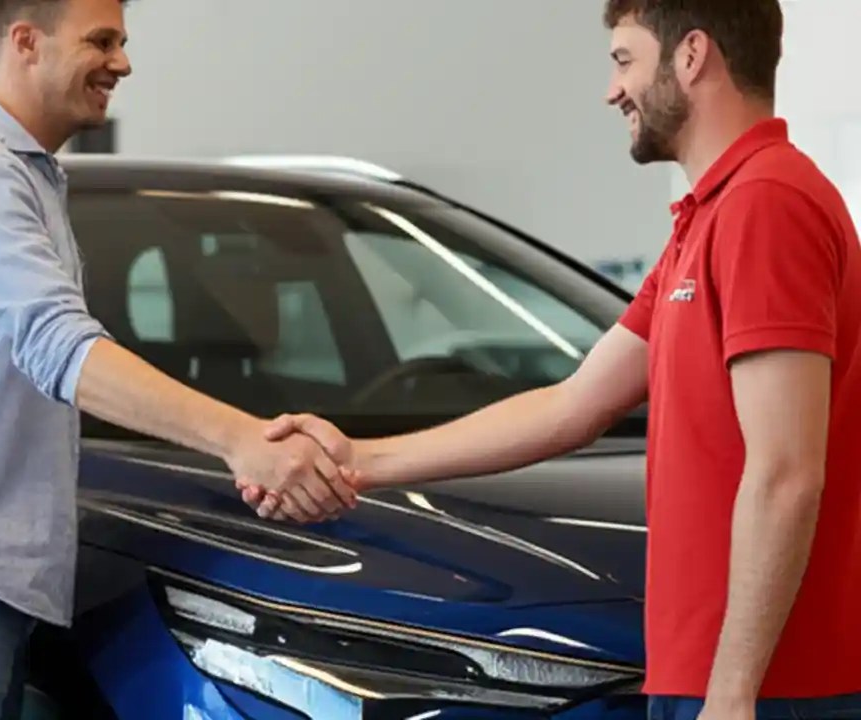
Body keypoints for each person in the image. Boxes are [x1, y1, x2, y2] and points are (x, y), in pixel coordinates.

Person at [242, 1, 861, 719]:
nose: (612, 90)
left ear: (691, 56)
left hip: (772, 687)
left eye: (624, 60)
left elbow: (787, 472)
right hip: (709, 674)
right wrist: (362, 459)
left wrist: (732, 690)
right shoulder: (710, 218)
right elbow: (572, 406)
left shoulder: (767, 204)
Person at [0, 1, 357, 718]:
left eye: (122, 41)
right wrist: (240, 440)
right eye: (101, 41)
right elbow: (60, 343)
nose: (123, 62)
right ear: (25, 42)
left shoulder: (28, 176)